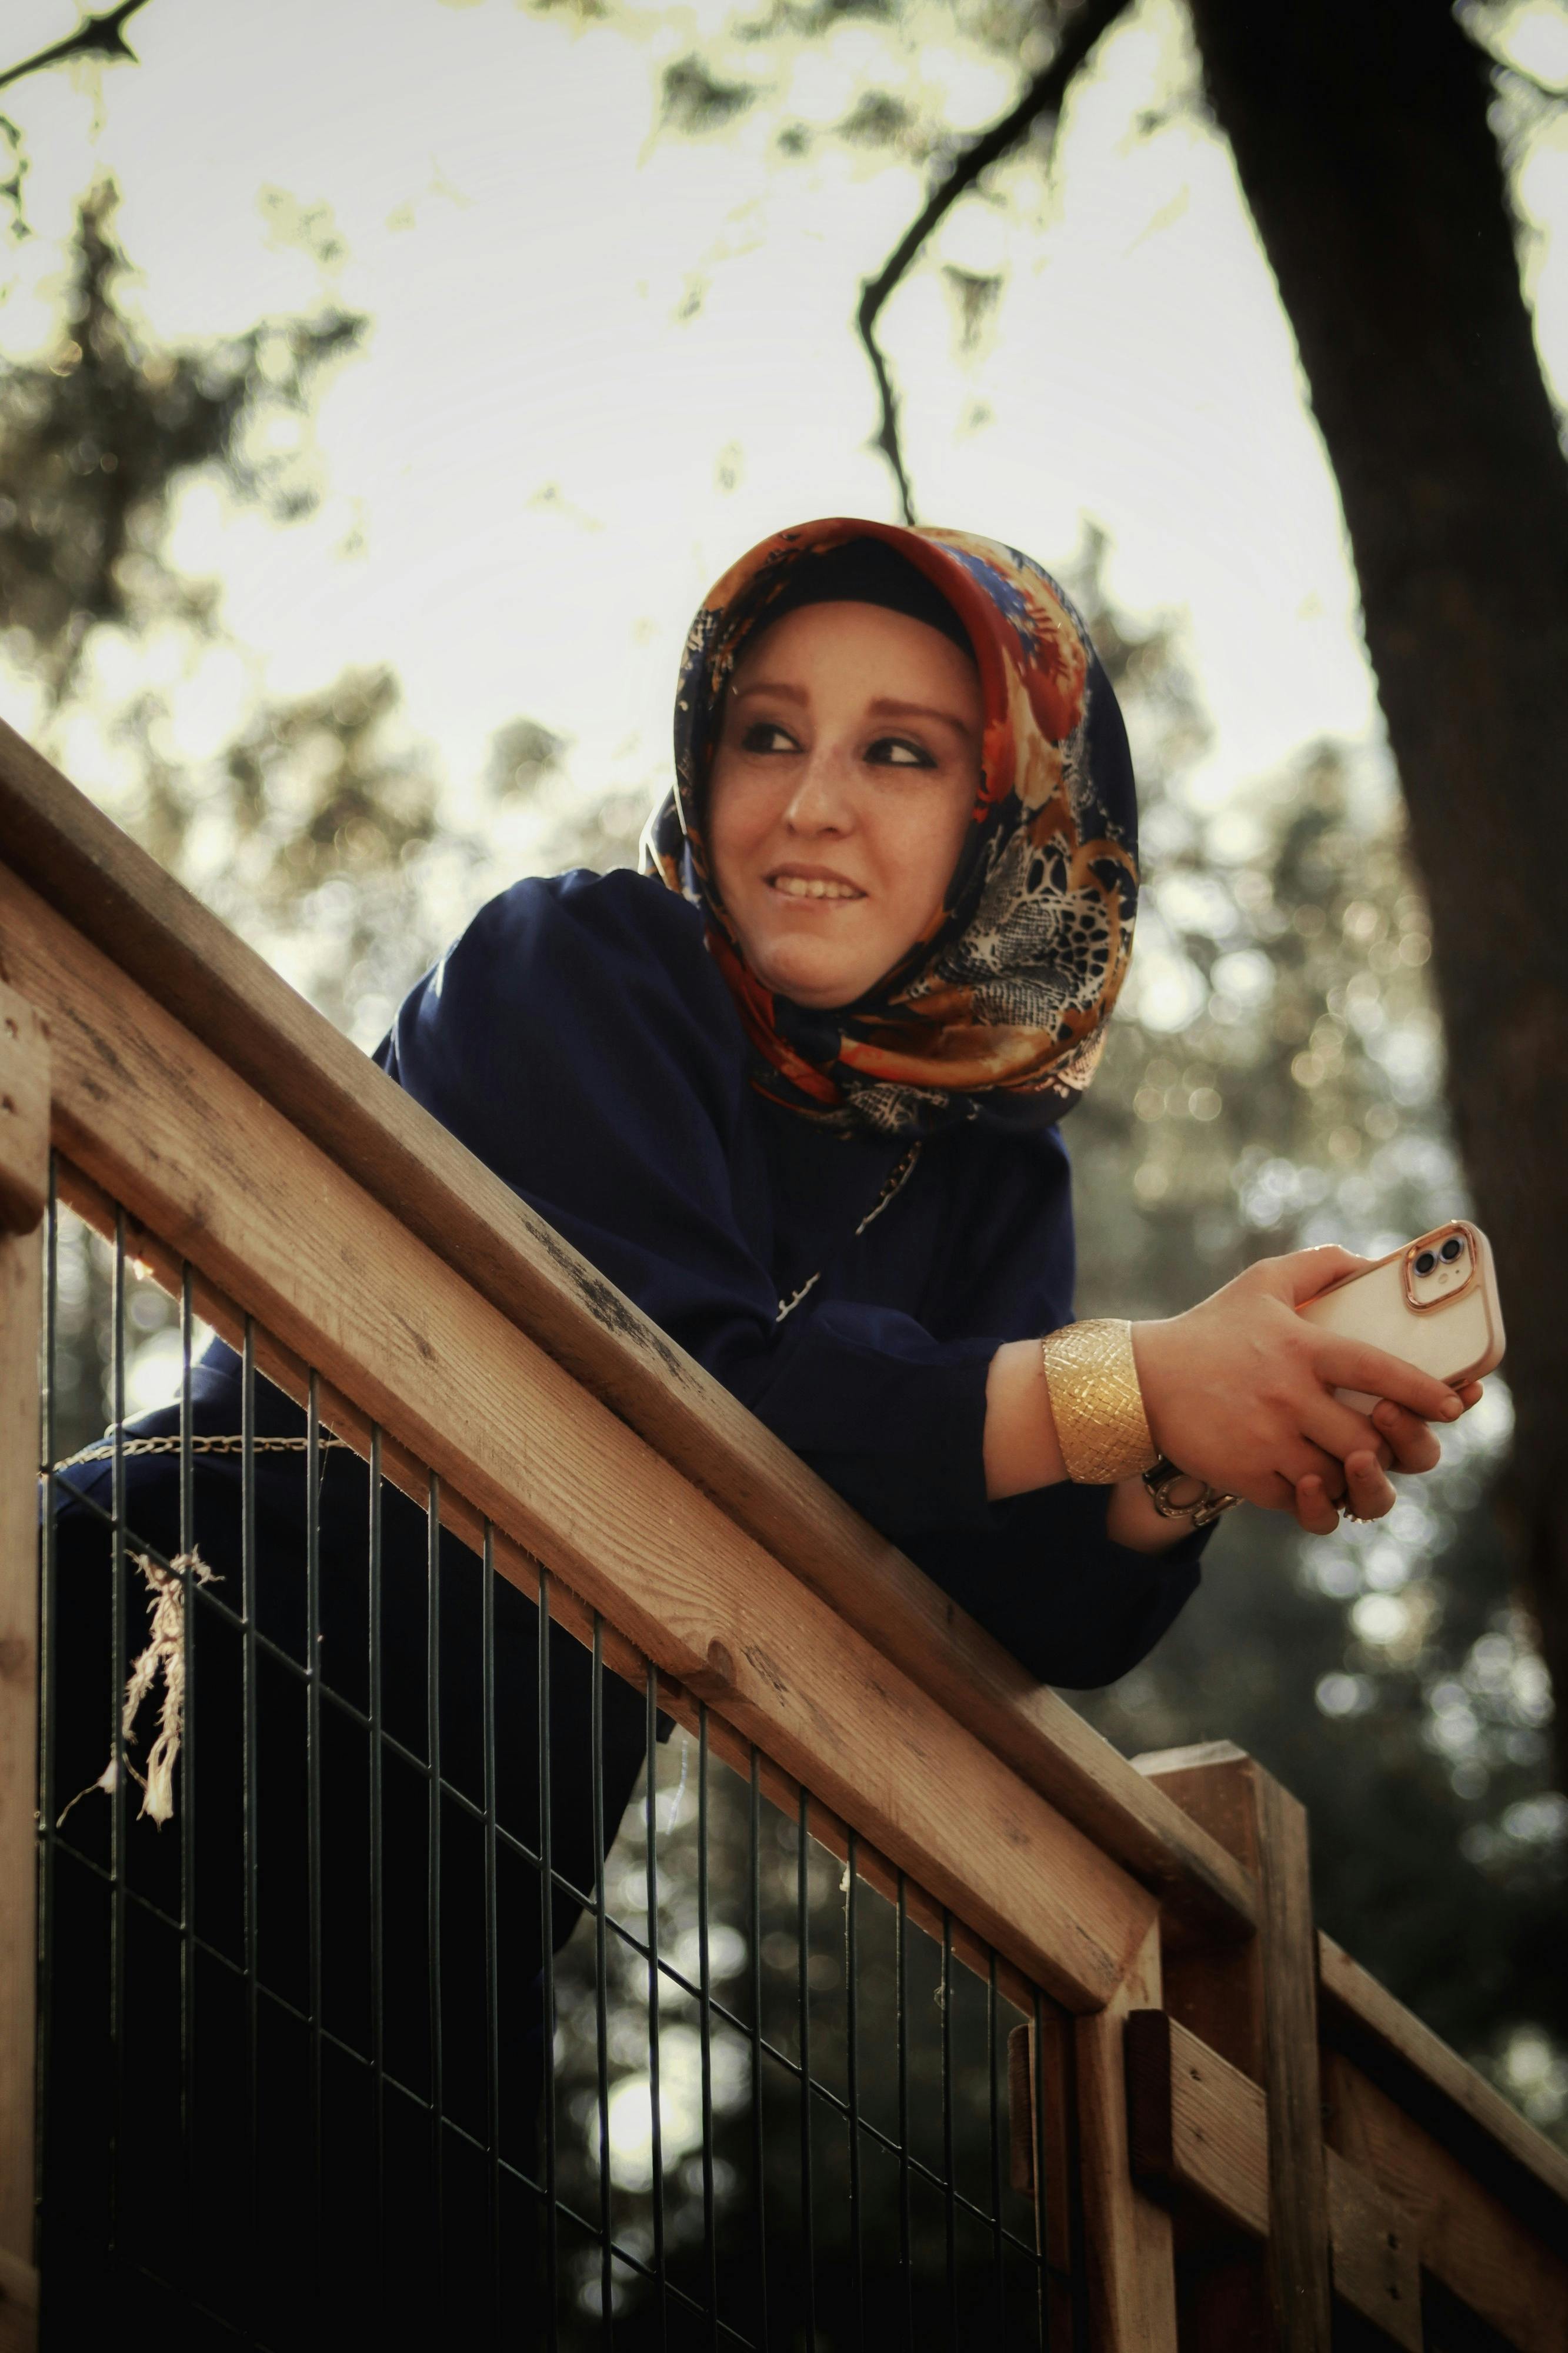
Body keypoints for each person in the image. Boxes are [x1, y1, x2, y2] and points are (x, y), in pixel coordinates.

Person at [42, 517, 1477, 2342]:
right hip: (159, 1686)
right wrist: (1129, 1385)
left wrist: (1203, 1443)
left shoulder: (985, 1177)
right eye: (765, 735)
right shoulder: (574, 967)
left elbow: (1022, 1598)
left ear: (1010, 813)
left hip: (454, 1879)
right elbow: (684, 1384)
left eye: (898, 752)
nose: (807, 802)